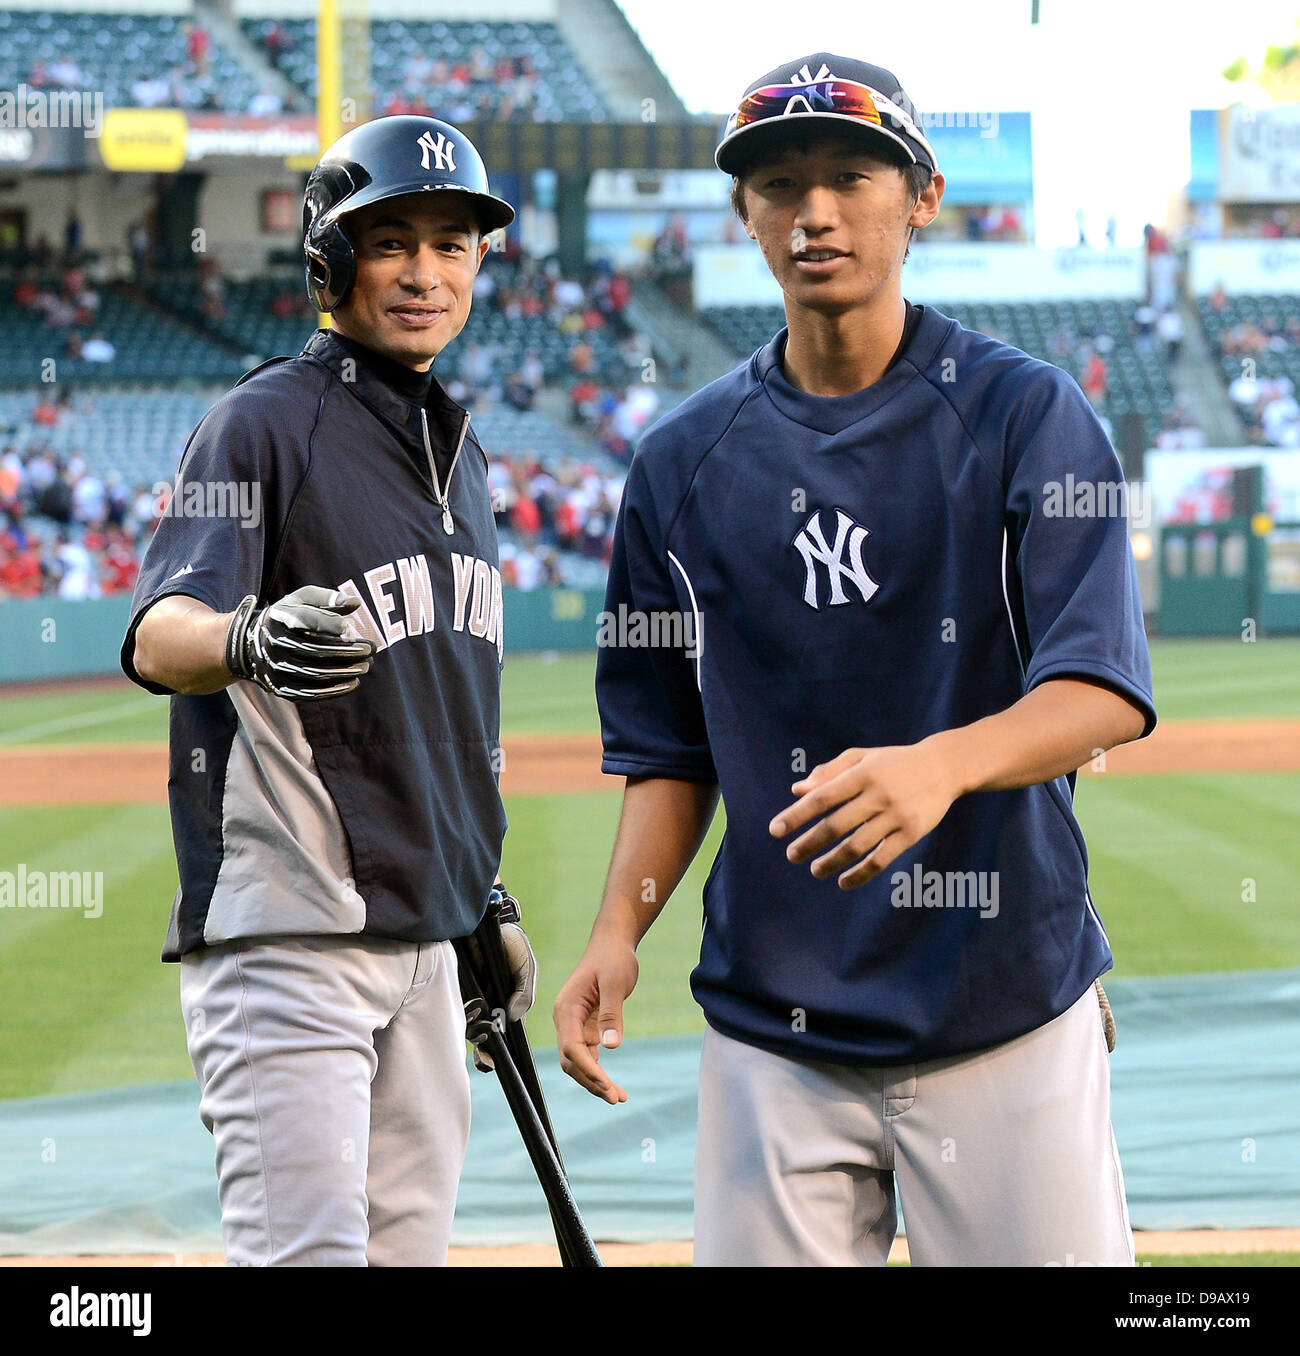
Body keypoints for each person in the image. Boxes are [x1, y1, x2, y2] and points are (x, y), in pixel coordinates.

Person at [554, 53, 1155, 1268]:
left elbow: (1101, 693)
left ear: (919, 195)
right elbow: (669, 748)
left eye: (848, 178)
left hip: (1003, 1004)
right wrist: (618, 930)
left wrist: (938, 765)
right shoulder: (677, 463)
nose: (813, 212)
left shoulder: (1028, 414)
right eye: (778, 185)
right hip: (773, 1027)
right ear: (745, 215)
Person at [120, 116, 532, 1267]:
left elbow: (442, 719)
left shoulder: (466, 453)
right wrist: (245, 638)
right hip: (292, 936)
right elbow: (161, 632)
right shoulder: (263, 423)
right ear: (329, 259)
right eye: (390, 240)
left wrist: (480, 893)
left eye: (453, 244)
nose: (424, 272)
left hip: (428, 942)